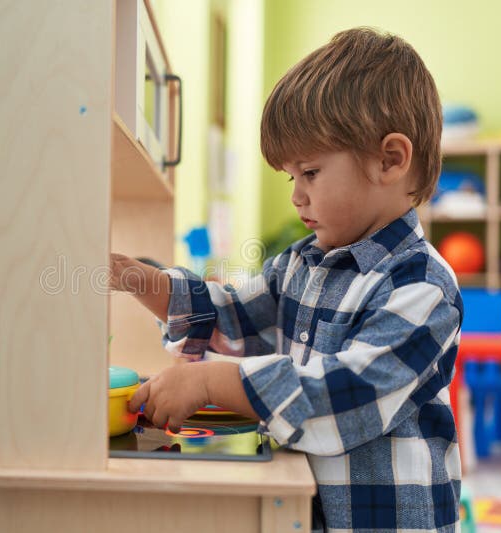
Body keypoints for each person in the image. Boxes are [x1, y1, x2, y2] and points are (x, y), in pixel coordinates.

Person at [109, 27, 463, 532]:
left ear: (390, 160)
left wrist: (211, 380)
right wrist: (144, 281)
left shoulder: (423, 288)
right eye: (290, 177)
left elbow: (343, 395)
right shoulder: (303, 263)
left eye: (311, 173)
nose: (296, 196)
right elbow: (232, 313)